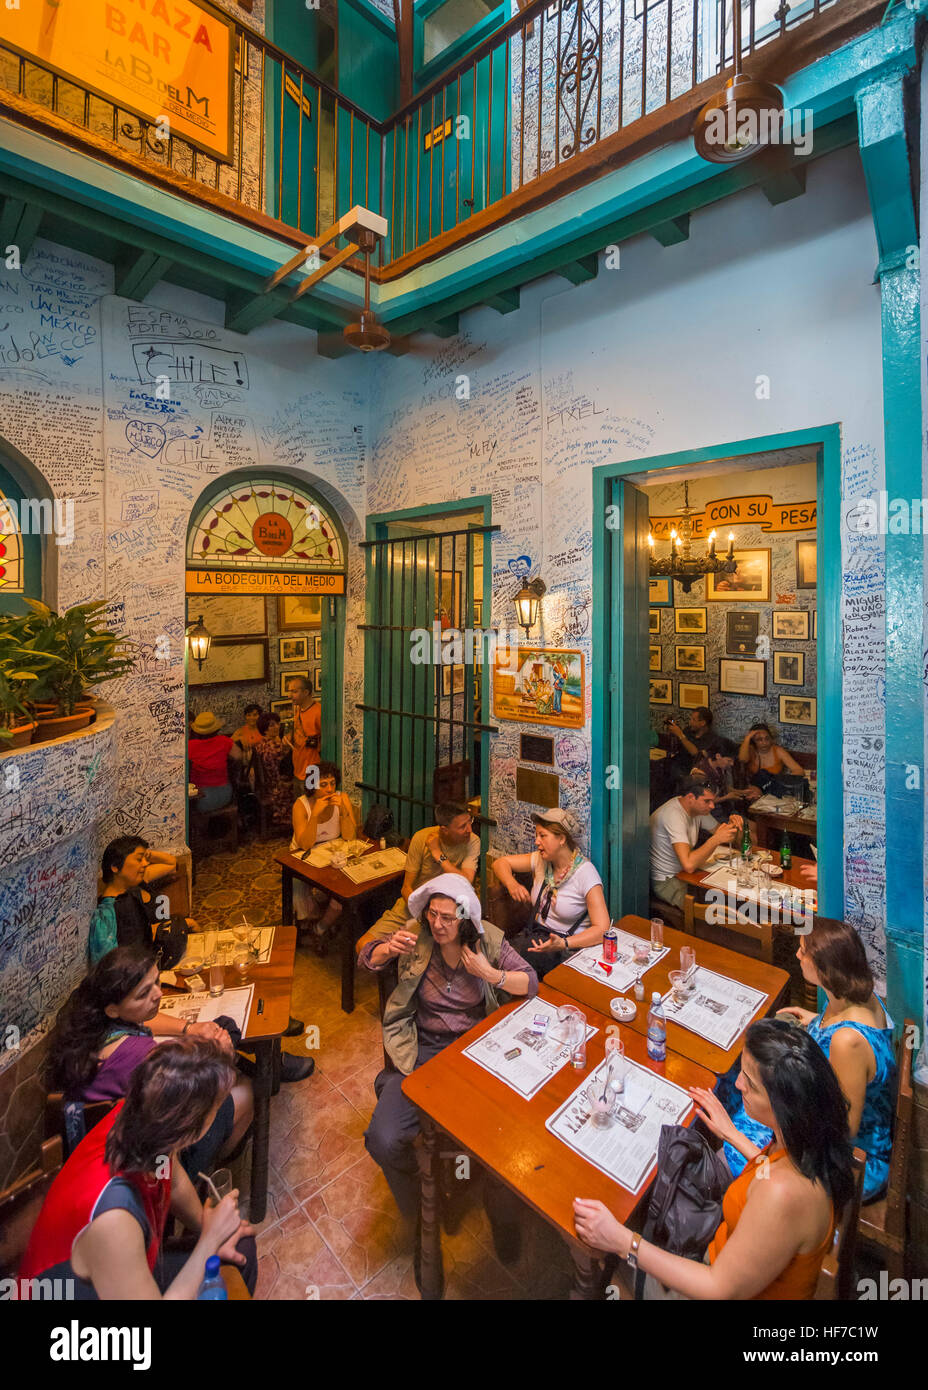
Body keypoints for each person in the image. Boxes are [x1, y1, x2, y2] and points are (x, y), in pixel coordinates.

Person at [573, 1020, 854, 1299]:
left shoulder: (781, 1195)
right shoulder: (806, 1142)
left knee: (589, 1237)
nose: (739, 1083)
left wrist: (624, 1242)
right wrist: (731, 1134)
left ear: (785, 1105)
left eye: (751, 1084)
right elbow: (769, 1170)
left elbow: (718, 1288)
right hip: (723, 1249)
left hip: (710, 1278)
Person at [359, 876, 537, 1257]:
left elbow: (531, 982)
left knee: (503, 1136)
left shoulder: (487, 938)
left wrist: (491, 975)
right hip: (422, 1053)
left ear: (465, 919)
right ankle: (422, 1206)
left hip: (478, 1053)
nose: (437, 924)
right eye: (433, 915)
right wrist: (388, 949)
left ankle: (500, 1215)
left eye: (448, 918)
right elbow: (366, 957)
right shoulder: (416, 936)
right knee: (383, 1138)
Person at [20, 1038, 257, 1298]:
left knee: (239, 1246)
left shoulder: (146, 1121)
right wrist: (210, 1240)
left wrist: (210, 1229)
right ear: (189, 1131)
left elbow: (174, 1182)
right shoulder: (114, 1218)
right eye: (218, 1104)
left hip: (124, 1268)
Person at [716, 917, 895, 1202]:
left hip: (851, 1162)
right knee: (731, 1077)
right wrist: (816, 1022)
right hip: (829, 1123)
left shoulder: (847, 1042)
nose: (797, 955)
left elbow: (841, 1130)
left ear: (823, 966)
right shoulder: (859, 995)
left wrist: (776, 1121)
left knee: (737, 1104)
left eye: (802, 951)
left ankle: (731, 1194)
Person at [50, 947, 253, 1181]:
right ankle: (205, 1173)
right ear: (113, 1009)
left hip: (108, 1145)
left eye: (156, 982)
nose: (158, 994)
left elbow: (147, 1018)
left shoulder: (92, 1027)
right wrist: (225, 1057)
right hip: (152, 1166)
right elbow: (193, 1105)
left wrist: (188, 1028)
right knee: (244, 1088)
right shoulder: (142, 1057)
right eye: (144, 994)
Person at [492, 809, 610, 979]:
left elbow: (602, 929)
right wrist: (512, 884)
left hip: (567, 950)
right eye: (536, 835)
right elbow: (500, 863)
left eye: (542, 835)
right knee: (495, 959)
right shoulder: (540, 860)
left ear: (561, 839)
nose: (536, 841)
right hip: (535, 939)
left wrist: (563, 943)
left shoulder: (586, 873)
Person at [355, 802, 480, 954]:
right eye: (462, 827)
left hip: (450, 911)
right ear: (445, 830)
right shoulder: (421, 838)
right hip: (415, 906)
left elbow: (465, 882)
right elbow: (406, 888)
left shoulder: (473, 841)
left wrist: (438, 854)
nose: (469, 830)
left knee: (438, 957)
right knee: (363, 946)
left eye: (470, 822)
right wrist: (424, 915)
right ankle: (392, 957)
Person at [89, 837, 198, 965]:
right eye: (139, 859)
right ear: (115, 867)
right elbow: (111, 966)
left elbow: (172, 863)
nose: (146, 863)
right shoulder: (108, 913)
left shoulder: (133, 889)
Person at [290, 761, 357, 948]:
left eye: (333, 784)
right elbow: (304, 844)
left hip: (331, 856)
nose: (330, 789)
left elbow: (350, 836)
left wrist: (343, 810)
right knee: (299, 889)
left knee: (346, 887)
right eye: (323, 784)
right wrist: (315, 816)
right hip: (303, 856)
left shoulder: (342, 798)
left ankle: (321, 927)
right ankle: (308, 922)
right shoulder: (301, 805)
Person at [649, 777, 742, 909]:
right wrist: (716, 839)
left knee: (730, 895)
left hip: (685, 875)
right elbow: (689, 865)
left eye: (713, 801)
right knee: (712, 913)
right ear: (691, 797)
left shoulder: (698, 810)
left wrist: (732, 825)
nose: (712, 806)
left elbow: (724, 835)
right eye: (707, 801)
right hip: (668, 880)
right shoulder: (673, 815)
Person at [187, 711, 241, 812]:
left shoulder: (190, 745)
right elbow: (238, 756)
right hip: (225, 795)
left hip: (201, 799)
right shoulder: (225, 741)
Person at [283, 674, 322, 799]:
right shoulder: (299, 709)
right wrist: (289, 737)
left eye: (294, 691)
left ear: (306, 692)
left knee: (311, 807)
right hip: (298, 768)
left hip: (312, 769)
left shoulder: (318, 712)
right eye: (289, 691)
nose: (289, 696)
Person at [738, 722, 803, 795]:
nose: (764, 743)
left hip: (773, 790)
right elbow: (742, 759)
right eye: (759, 739)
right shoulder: (750, 750)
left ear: (771, 739)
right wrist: (747, 738)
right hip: (752, 791)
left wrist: (785, 781)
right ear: (753, 741)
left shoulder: (778, 751)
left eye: (767, 738)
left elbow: (799, 770)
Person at [253, 711, 293, 831]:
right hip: (276, 786)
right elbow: (278, 774)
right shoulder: (274, 747)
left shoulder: (261, 743)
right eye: (271, 725)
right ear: (264, 729)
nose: (276, 727)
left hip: (268, 784)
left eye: (277, 723)